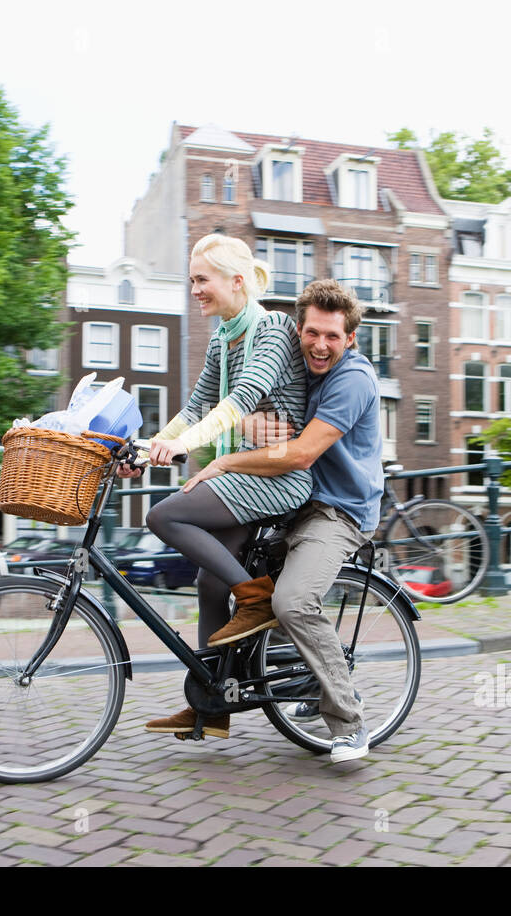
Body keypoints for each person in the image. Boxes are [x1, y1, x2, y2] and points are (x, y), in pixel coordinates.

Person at [178, 278, 383, 763]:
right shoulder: (300, 363)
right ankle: (217, 698)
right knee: (215, 573)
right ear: (299, 329)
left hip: (337, 510)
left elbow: (301, 454)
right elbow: (242, 400)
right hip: (291, 503)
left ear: (350, 338)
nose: (320, 344)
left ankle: (350, 722)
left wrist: (225, 462)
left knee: (291, 600)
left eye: (332, 337)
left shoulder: (352, 379)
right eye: (312, 332)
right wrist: (244, 423)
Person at [118, 233, 314, 740]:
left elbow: (244, 397)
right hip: (240, 471)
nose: (194, 290)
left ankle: (257, 598)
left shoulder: (273, 329)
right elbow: (198, 405)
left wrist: (184, 449)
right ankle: (212, 702)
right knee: (208, 582)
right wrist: (150, 447)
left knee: (165, 516)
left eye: (201, 280)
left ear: (237, 281)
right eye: (191, 281)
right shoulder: (223, 337)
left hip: (278, 473)